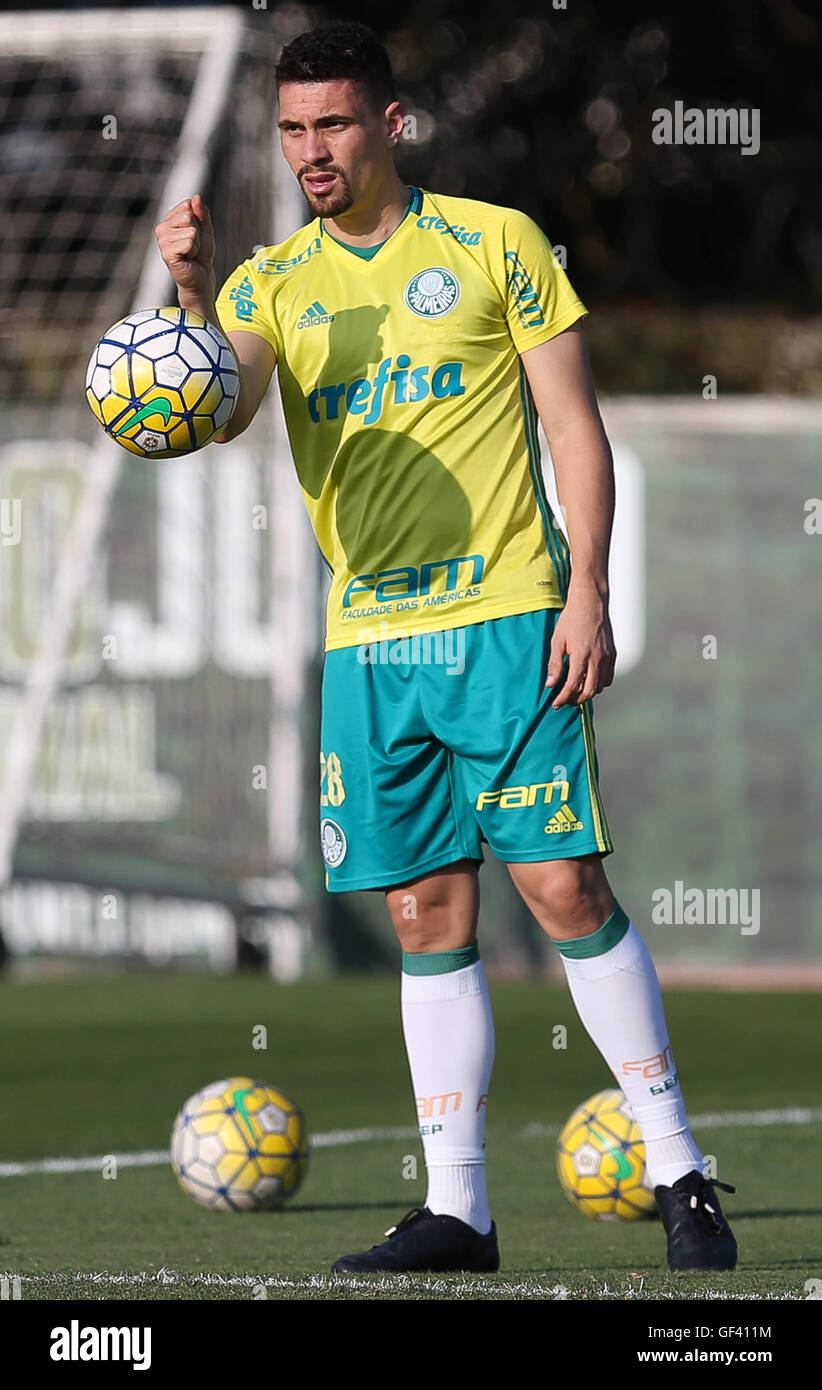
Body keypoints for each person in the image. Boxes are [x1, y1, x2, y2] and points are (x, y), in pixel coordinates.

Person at [155, 20, 736, 1276]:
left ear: (390, 124)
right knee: (425, 910)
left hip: (507, 620)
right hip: (370, 641)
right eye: (294, 130)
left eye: (335, 124)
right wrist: (196, 297)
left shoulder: (494, 243)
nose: (312, 150)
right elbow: (214, 409)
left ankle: (684, 1173)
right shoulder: (270, 284)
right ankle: (460, 1211)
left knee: (564, 890)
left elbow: (574, 427)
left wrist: (584, 590)